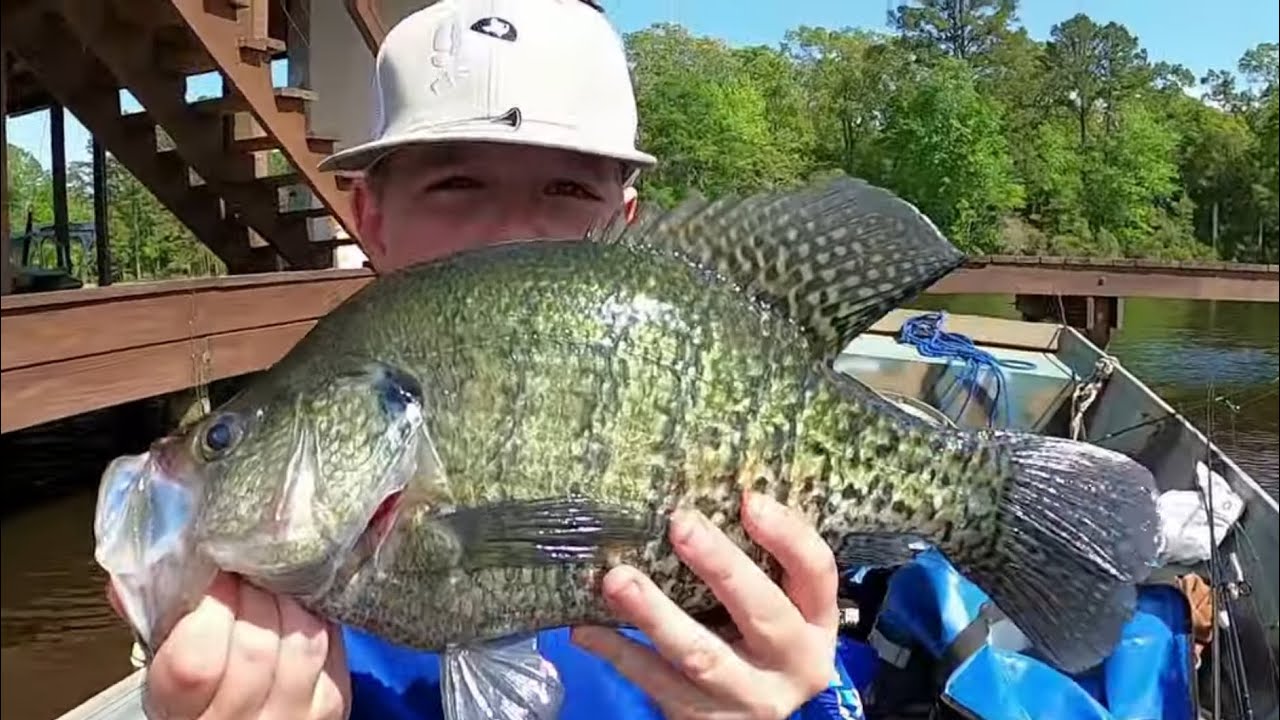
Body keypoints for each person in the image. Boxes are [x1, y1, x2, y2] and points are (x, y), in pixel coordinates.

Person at [113, 1, 869, 718]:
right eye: (458, 183)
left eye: (568, 187)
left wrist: (795, 697)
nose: (512, 233)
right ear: (369, 215)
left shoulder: (745, 599)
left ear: (626, 222)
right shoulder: (270, 608)